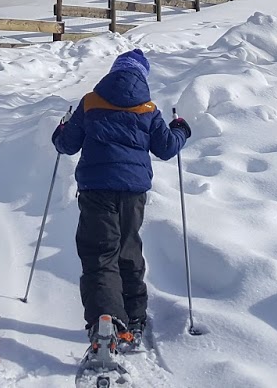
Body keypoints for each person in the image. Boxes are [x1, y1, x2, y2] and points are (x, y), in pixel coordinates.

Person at [51, 48, 190, 363]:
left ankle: (106, 322)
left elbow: (66, 145)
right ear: (142, 76)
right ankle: (135, 320)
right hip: (132, 192)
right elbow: (167, 149)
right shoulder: (147, 108)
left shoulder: (90, 103)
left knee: (100, 256)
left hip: (96, 190)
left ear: (113, 73)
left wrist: (61, 129)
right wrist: (181, 130)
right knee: (128, 251)